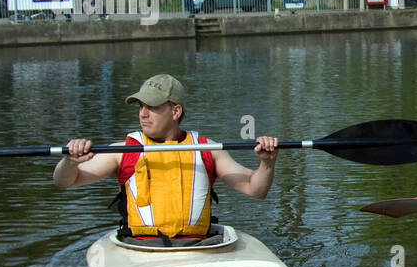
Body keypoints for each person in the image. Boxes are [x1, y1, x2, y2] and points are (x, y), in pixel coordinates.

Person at [53, 74, 279, 243]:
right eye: (141, 106)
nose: (143, 113)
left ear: (176, 111)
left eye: (152, 107)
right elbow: (65, 181)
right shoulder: (123, 151)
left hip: (198, 248)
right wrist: (70, 161)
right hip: (141, 249)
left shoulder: (207, 149)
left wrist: (267, 163)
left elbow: (255, 189)